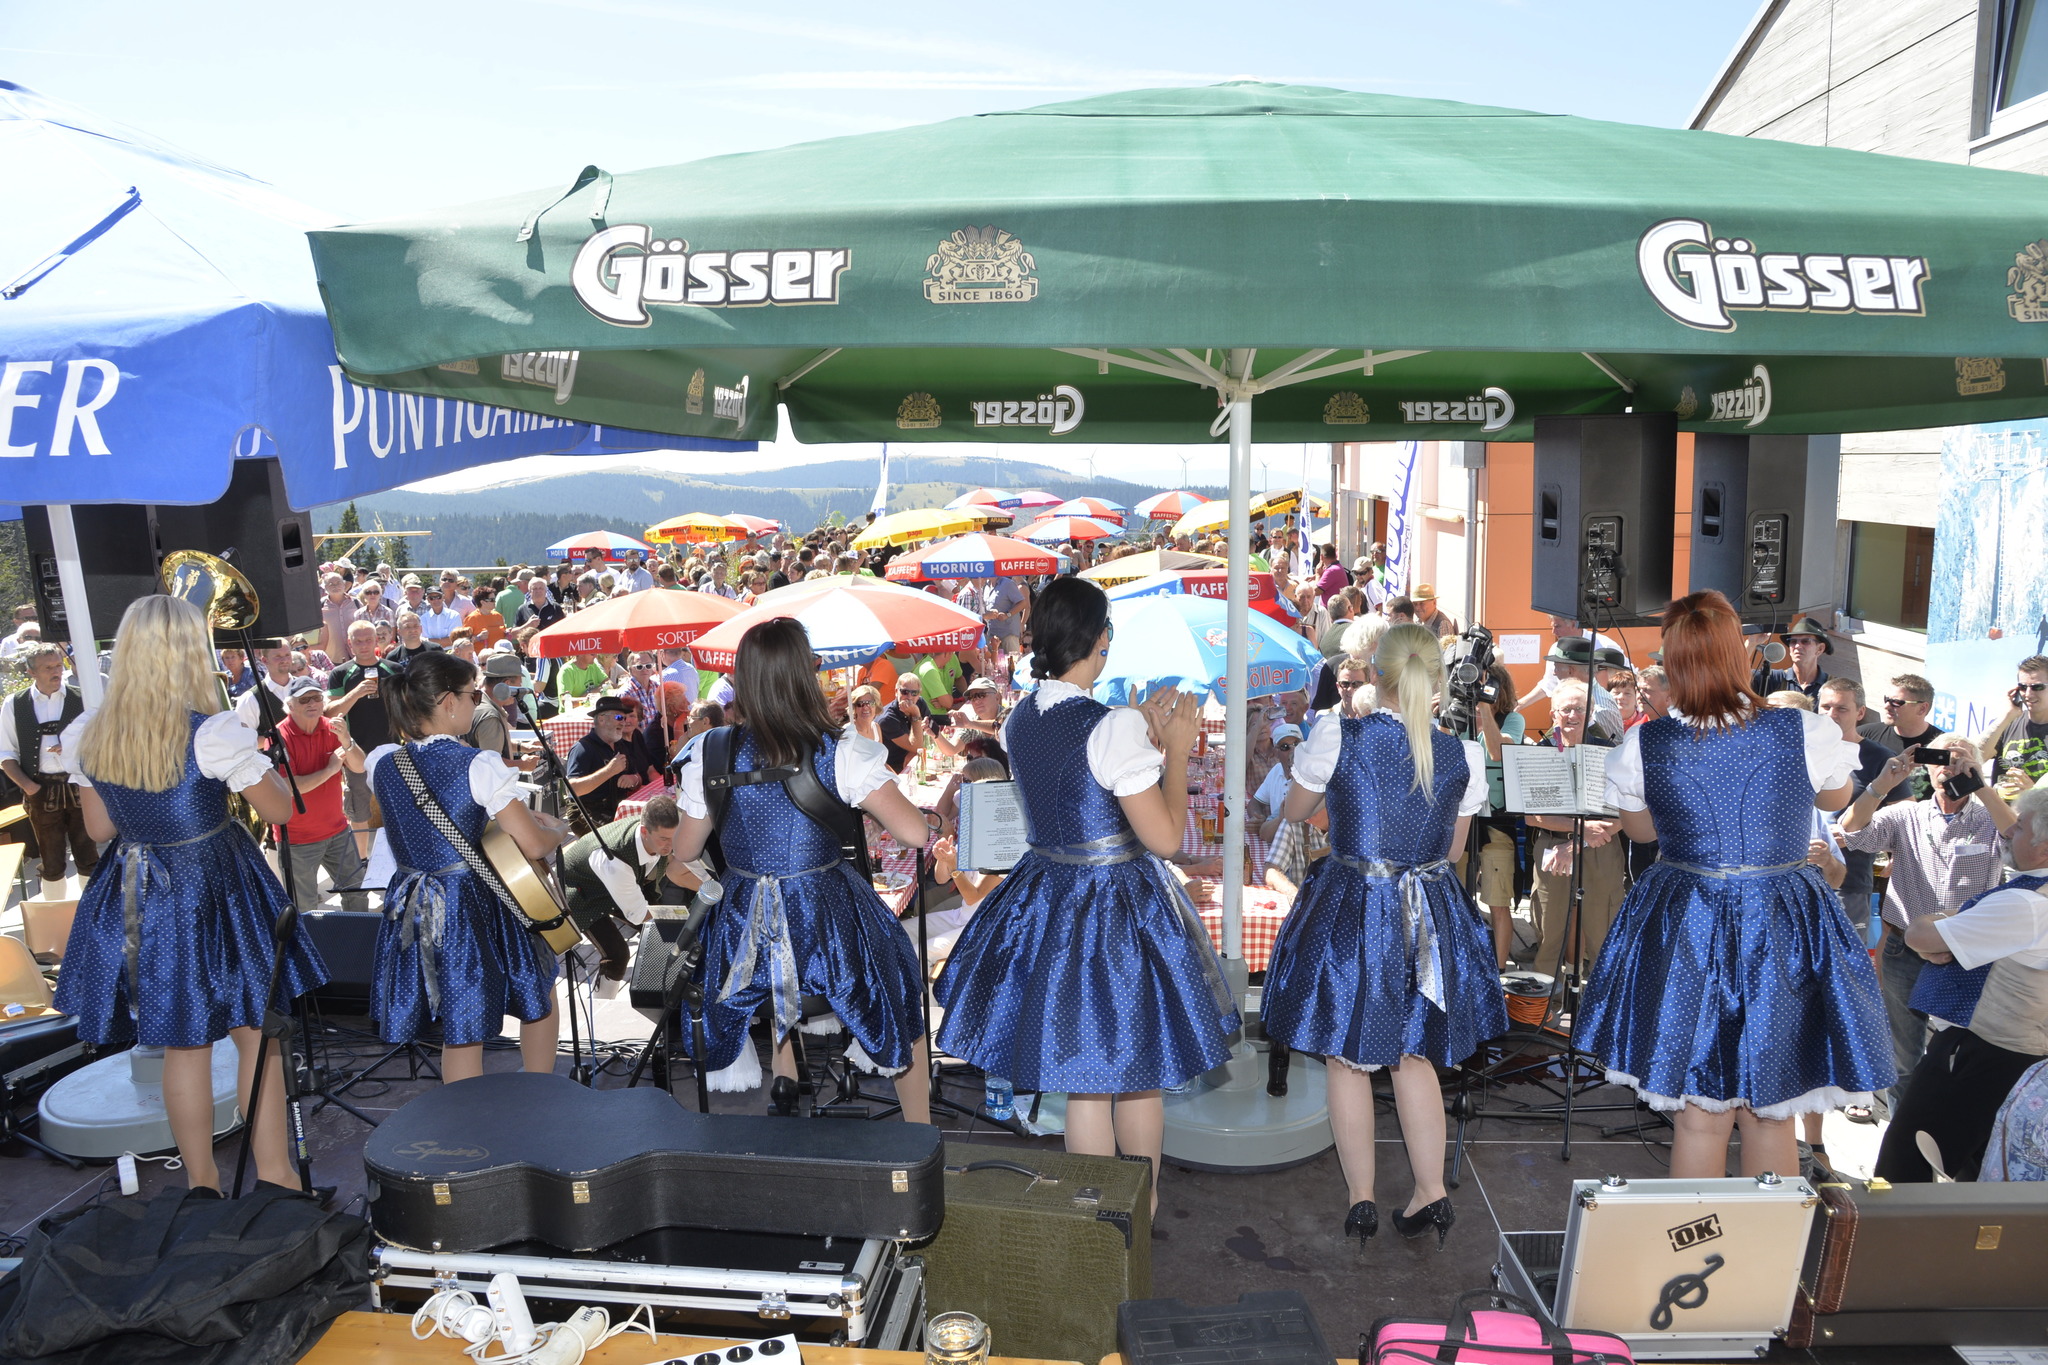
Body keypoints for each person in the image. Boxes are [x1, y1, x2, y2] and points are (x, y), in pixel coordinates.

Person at [937, 576, 1238, 1208]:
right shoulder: (1112, 725)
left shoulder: (1022, 717)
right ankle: (1139, 1206)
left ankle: (1099, 1210)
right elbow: (1164, 838)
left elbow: (1082, 790)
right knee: (1138, 1069)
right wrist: (1176, 751)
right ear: (1101, 639)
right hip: (1114, 908)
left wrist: (1142, 733)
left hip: (1050, 895)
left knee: (1086, 1076)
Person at [1579, 590, 1891, 1180]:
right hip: (1781, 915)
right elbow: (1834, 796)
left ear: (1675, 662)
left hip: (1689, 914)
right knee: (1772, 1114)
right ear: (1737, 655)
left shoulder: (1647, 742)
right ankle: (1769, 1264)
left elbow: (1643, 831)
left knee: (1700, 1113)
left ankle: (1692, 1258)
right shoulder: (1799, 729)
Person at [55, 595, 327, 1190]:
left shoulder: (89, 733)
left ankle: (200, 1185)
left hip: (140, 891)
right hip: (215, 886)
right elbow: (281, 809)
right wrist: (260, 761)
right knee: (255, 1032)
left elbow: (100, 830)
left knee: (184, 1042)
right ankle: (277, 1175)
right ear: (187, 654)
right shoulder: (213, 733)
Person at [1262, 623, 1502, 1246]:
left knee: (1349, 1055)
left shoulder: (1339, 734)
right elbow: (1451, 851)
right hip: (1427, 907)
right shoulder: (1462, 753)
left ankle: (1362, 1198)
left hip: (1354, 903)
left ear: (1376, 673)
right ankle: (1432, 1191)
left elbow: (1293, 813)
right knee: (1414, 1053)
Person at [666, 618, 932, 1118]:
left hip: (744, 932)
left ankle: (786, 1076)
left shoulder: (711, 750)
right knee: (897, 985)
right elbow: (915, 833)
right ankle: (921, 1132)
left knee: (764, 947)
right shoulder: (841, 749)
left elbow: (684, 849)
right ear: (804, 674)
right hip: (822, 924)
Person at [368, 651, 569, 1084]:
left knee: (460, 1021)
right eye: (472, 693)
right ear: (447, 702)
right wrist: (559, 831)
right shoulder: (477, 764)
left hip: (412, 904)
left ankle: (463, 1125)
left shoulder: (384, 764)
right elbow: (531, 843)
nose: (476, 701)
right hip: (469, 900)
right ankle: (541, 1093)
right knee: (538, 984)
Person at [1875, 784, 2048, 1181]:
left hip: (1984, 1050)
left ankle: (1899, 1240)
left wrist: (1940, 919)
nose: (2008, 833)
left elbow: (1921, 936)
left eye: (2020, 829)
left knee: (1906, 1159)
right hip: (2019, 1054)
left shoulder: (2026, 903)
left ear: (2044, 848)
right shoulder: (2025, 898)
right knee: (1980, 1167)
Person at [1839, 744, 2013, 1120]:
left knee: (1964, 1054)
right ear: (1928, 769)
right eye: (1943, 760)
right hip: (1906, 950)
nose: (1949, 769)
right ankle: (1903, 1140)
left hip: (1967, 954)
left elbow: (2016, 836)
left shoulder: (1988, 817)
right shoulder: (1906, 814)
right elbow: (1852, 831)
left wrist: (1982, 787)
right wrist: (1881, 784)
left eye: (1960, 761)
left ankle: (1953, 1140)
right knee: (1904, 1058)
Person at [1522, 679, 1626, 976]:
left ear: (1590, 711)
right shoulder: (1541, 752)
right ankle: (1543, 1010)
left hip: (1601, 847)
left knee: (1603, 934)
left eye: (1579, 708)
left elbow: (1623, 814)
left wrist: (1576, 843)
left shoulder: (1611, 752)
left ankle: (1602, 1010)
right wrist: (1580, 832)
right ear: (1553, 712)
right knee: (1549, 933)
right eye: (1565, 709)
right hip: (1552, 847)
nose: (1572, 715)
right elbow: (1532, 817)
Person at [558, 793, 697, 978]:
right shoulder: (616, 861)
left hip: (620, 881)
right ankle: (604, 1000)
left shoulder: (654, 832)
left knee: (669, 934)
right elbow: (639, 915)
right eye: (664, 839)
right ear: (644, 831)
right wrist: (685, 921)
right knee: (617, 954)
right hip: (582, 892)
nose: (671, 845)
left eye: (675, 837)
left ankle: (665, 986)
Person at [0, 642, 99, 892]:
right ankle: (55, 920)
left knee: (89, 857)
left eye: (58, 665)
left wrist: (74, 750)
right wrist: (29, 787)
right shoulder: (15, 704)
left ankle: (90, 919)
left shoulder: (82, 699)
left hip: (79, 784)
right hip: (40, 788)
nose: (56, 672)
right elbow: (5, 754)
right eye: (47, 668)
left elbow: (101, 745)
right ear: (31, 671)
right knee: (51, 861)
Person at [272, 676, 369, 914]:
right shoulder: (279, 736)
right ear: (291, 706)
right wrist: (330, 770)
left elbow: (359, 766)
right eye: (304, 699)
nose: (312, 703)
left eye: (316, 697)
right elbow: (288, 787)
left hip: (337, 831)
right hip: (297, 840)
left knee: (357, 891)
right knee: (304, 907)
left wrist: (346, 741)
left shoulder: (331, 727)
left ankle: (360, 943)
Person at [326, 620, 401, 857]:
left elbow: (407, 707)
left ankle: (396, 855)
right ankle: (362, 860)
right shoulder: (340, 673)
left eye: (368, 639)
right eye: (358, 641)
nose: (364, 645)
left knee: (394, 806)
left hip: (391, 749)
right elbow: (330, 713)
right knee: (358, 808)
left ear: (377, 640)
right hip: (355, 749)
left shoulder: (394, 669)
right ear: (349, 643)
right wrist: (356, 693)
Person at [568, 696, 660, 825]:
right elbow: (572, 789)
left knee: (656, 822)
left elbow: (637, 777)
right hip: (587, 814)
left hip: (617, 808)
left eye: (625, 717)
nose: (623, 722)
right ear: (601, 719)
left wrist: (634, 780)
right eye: (619, 717)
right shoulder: (583, 748)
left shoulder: (619, 745)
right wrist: (609, 771)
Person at [1859, 673, 1943, 805]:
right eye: (1886, 699)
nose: (1887, 706)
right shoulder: (1865, 735)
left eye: (1897, 702)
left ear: (1922, 708)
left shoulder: (1941, 746)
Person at [1976, 654, 2048, 793]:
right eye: (2022, 687)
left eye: (2037, 687)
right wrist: (2005, 717)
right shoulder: (2009, 722)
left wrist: (2031, 792)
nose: (2028, 694)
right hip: (2001, 812)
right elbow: (1977, 759)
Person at [1751, 616, 1832, 703]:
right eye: (1793, 641)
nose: (1797, 646)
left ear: (1820, 649)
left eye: (1805, 641)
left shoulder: (1832, 687)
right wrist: (1751, 643)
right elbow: (1737, 677)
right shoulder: (1774, 679)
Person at [877, 674, 933, 776]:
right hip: (893, 767)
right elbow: (916, 746)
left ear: (919, 694)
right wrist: (916, 715)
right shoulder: (887, 719)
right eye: (904, 692)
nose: (909, 697)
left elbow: (931, 732)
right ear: (896, 692)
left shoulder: (920, 702)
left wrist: (913, 752)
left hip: (914, 757)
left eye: (914, 693)